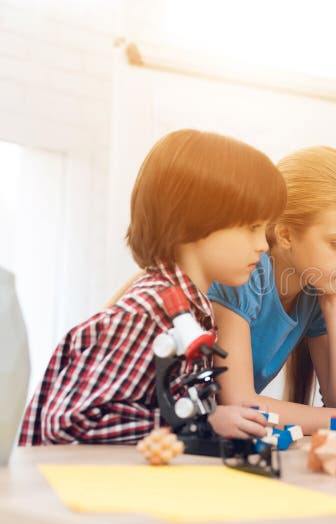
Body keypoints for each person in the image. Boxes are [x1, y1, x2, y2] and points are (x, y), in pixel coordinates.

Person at [19, 129, 286, 444]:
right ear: (193, 221)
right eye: (252, 228)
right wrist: (201, 422)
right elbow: (69, 422)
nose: (262, 245)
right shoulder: (150, 312)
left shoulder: (192, 310)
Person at [208, 146, 336, 433]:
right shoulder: (243, 275)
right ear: (285, 234)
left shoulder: (315, 289)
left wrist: (334, 304)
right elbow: (242, 403)